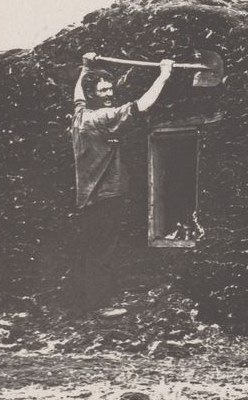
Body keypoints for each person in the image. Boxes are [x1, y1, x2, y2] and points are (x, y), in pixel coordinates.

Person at [67, 52, 174, 311]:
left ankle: (81, 302)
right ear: (94, 94)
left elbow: (77, 95)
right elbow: (142, 105)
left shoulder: (81, 114)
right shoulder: (102, 118)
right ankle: (100, 305)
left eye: (110, 88)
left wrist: (85, 67)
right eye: (102, 90)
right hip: (106, 195)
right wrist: (164, 75)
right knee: (103, 250)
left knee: (91, 249)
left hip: (89, 197)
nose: (109, 93)